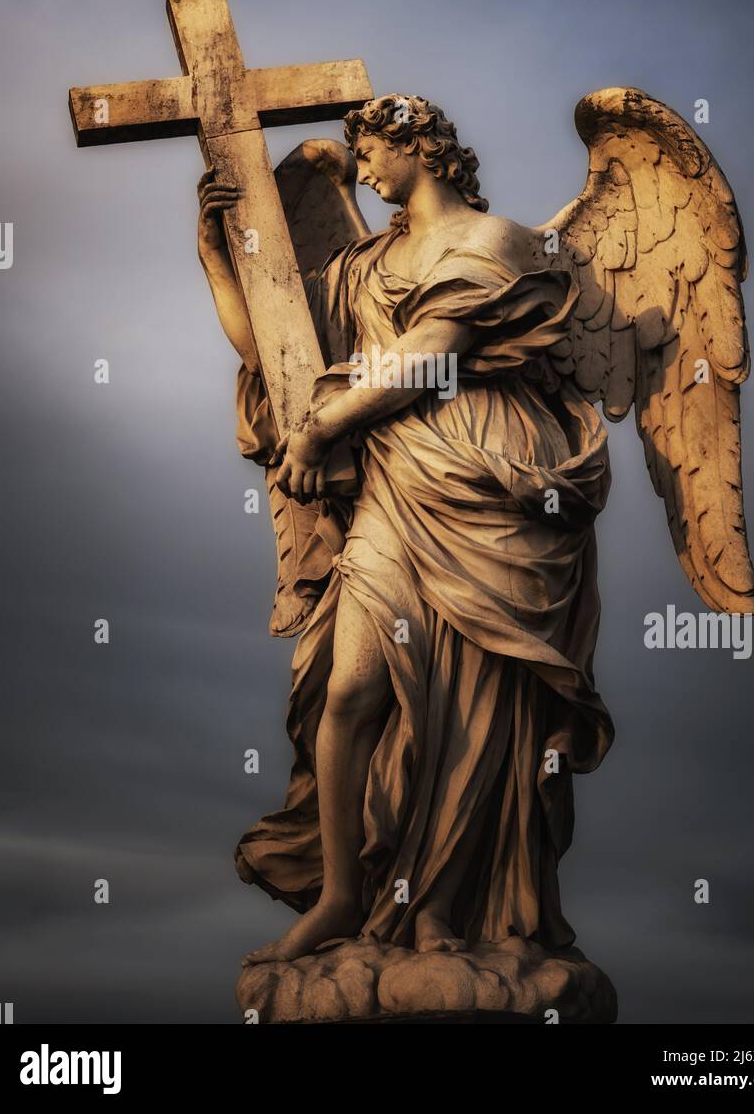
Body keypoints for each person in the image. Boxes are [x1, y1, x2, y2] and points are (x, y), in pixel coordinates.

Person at [197, 94, 613, 962]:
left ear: (420, 145)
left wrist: (324, 427)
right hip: (395, 479)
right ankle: (344, 897)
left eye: (376, 151)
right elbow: (275, 357)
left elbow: (433, 351)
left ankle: (448, 907)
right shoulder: (360, 265)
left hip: (489, 475)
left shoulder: (497, 244)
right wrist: (215, 257)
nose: (368, 170)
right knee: (349, 689)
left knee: (477, 701)